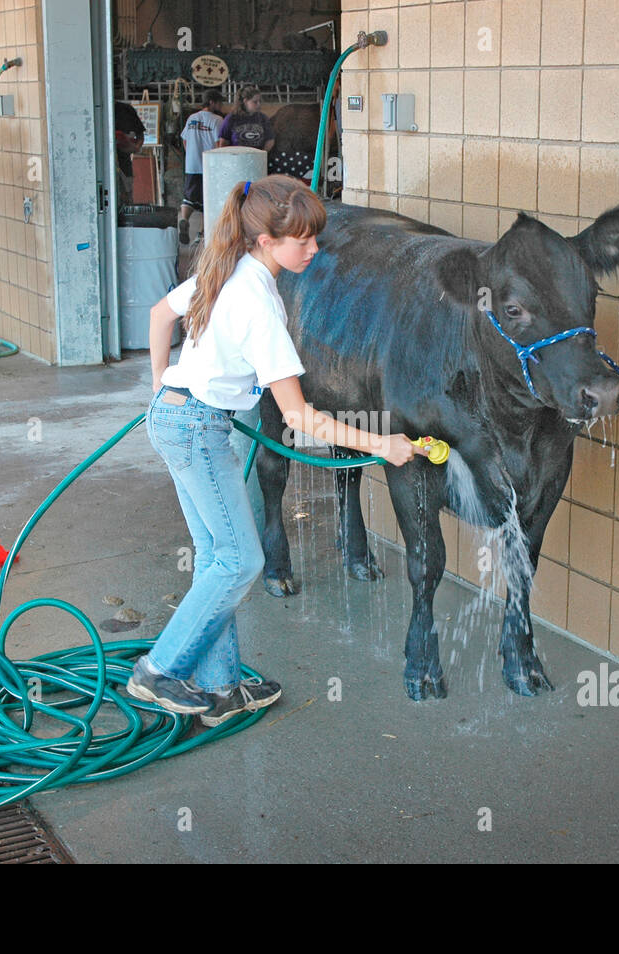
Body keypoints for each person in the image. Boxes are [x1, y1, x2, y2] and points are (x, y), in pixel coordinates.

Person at [133, 174, 425, 726]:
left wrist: (159, 385)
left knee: (218, 559)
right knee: (242, 561)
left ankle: (220, 687)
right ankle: (160, 669)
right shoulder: (256, 303)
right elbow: (298, 416)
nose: (314, 249)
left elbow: (158, 315)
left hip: (178, 416)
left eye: (315, 238)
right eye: (303, 241)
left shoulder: (227, 269)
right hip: (197, 428)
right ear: (266, 240)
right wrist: (381, 444)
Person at [177, 90, 227, 245]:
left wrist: (191, 155)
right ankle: (201, 233)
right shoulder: (217, 120)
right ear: (212, 102)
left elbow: (185, 141)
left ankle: (184, 219)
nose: (221, 105)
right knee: (209, 201)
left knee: (189, 197)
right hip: (209, 165)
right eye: (219, 102)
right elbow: (219, 143)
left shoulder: (192, 118)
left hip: (191, 165)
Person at [215, 85, 275, 153]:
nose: (259, 104)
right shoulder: (231, 119)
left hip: (257, 158)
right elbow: (223, 142)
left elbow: (270, 140)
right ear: (245, 101)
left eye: (259, 101)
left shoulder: (263, 118)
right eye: (255, 102)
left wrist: (262, 153)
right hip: (236, 158)